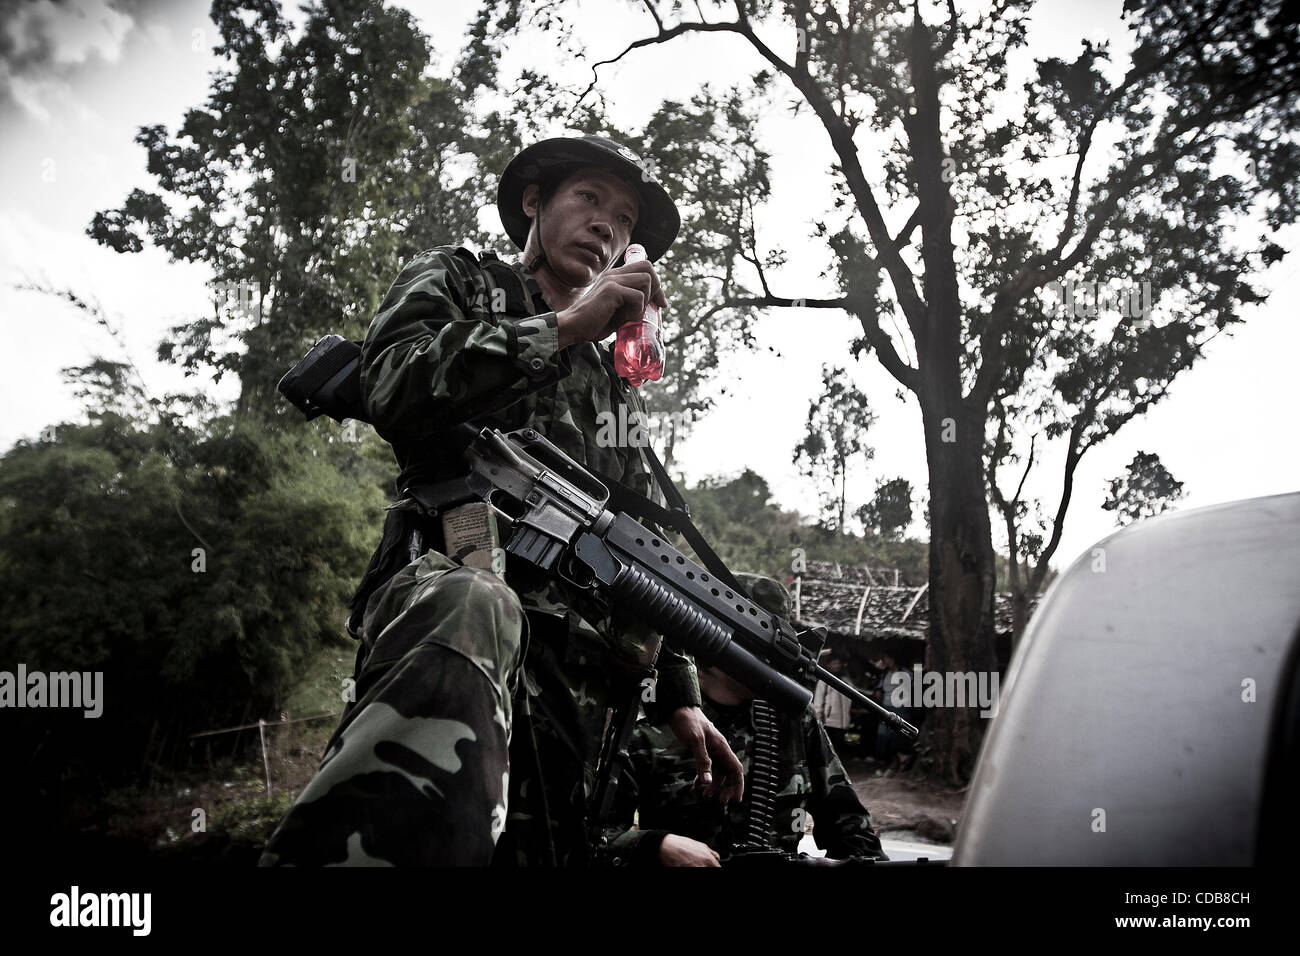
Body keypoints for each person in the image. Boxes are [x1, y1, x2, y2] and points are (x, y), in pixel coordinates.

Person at [259, 134, 743, 867]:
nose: (607, 225)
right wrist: (570, 326)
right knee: (471, 634)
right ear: (533, 203)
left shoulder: (614, 385)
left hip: (574, 684)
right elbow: (393, 384)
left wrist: (679, 693)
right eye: (588, 198)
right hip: (461, 612)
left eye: (623, 219)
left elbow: (645, 544)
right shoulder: (461, 282)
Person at [601, 576, 888, 867]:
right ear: (710, 636)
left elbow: (849, 826)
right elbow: (596, 838)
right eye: (758, 645)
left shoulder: (791, 719)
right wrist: (655, 845)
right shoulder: (654, 718)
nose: (772, 662)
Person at [813, 655, 854, 755]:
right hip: (828, 721)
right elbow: (818, 701)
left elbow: (852, 696)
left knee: (838, 749)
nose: (837, 666)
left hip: (842, 722)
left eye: (838, 663)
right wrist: (818, 718)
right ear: (828, 665)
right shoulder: (824, 681)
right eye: (834, 663)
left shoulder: (846, 681)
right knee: (827, 749)